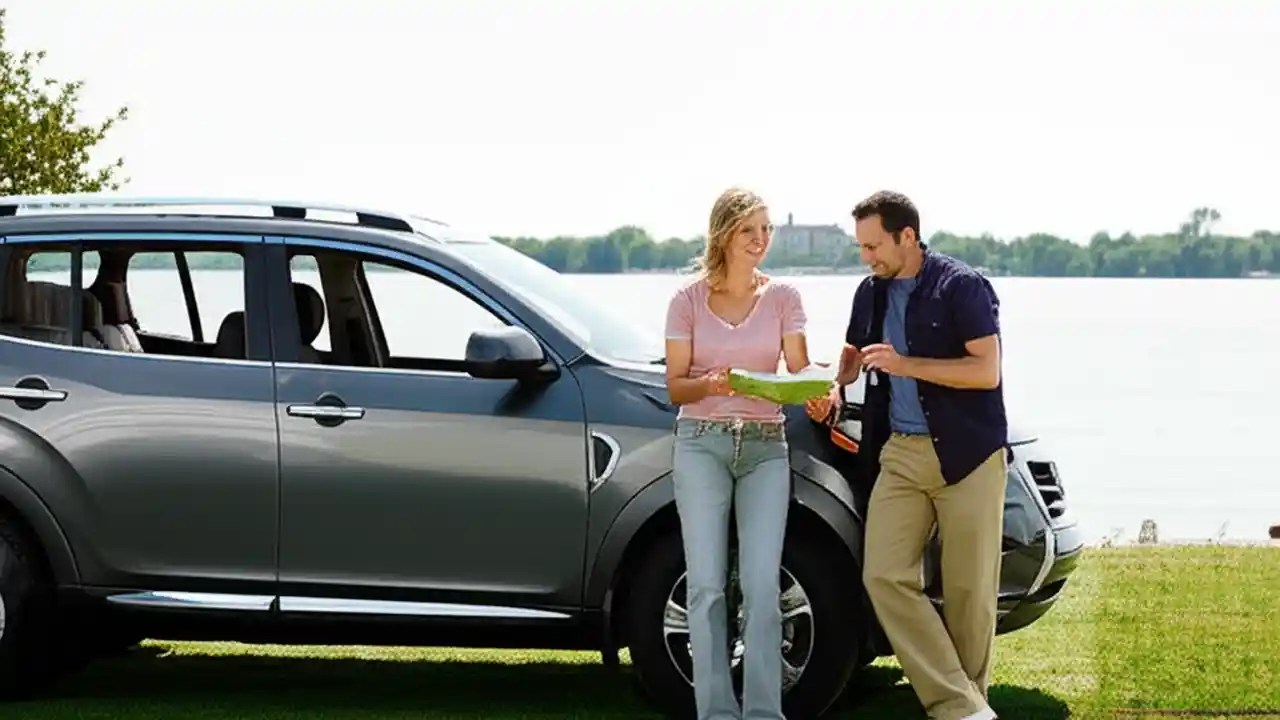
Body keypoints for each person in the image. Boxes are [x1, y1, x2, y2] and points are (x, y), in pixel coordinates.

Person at [806, 190, 1008, 720]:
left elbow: (986, 372)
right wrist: (836, 383)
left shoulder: (961, 287)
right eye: (861, 246)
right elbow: (855, 358)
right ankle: (962, 707)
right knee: (883, 574)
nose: (866, 256)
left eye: (873, 245)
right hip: (899, 451)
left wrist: (905, 363)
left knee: (969, 596)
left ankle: (966, 709)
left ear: (907, 237)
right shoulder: (868, 294)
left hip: (968, 456)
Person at [664, 187, 812, 720]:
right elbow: (675, 389)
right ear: (724, 233)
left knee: (760, 585)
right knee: (705, 587)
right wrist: (712, 383)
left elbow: (798, 370)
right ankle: (717, 713)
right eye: (750, 229)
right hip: (700, 444)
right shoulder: (686, 302)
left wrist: (821, 388)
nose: (761, 240)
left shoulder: (784, 298)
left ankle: (764, 713)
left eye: (766, 229)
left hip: (766, 448)